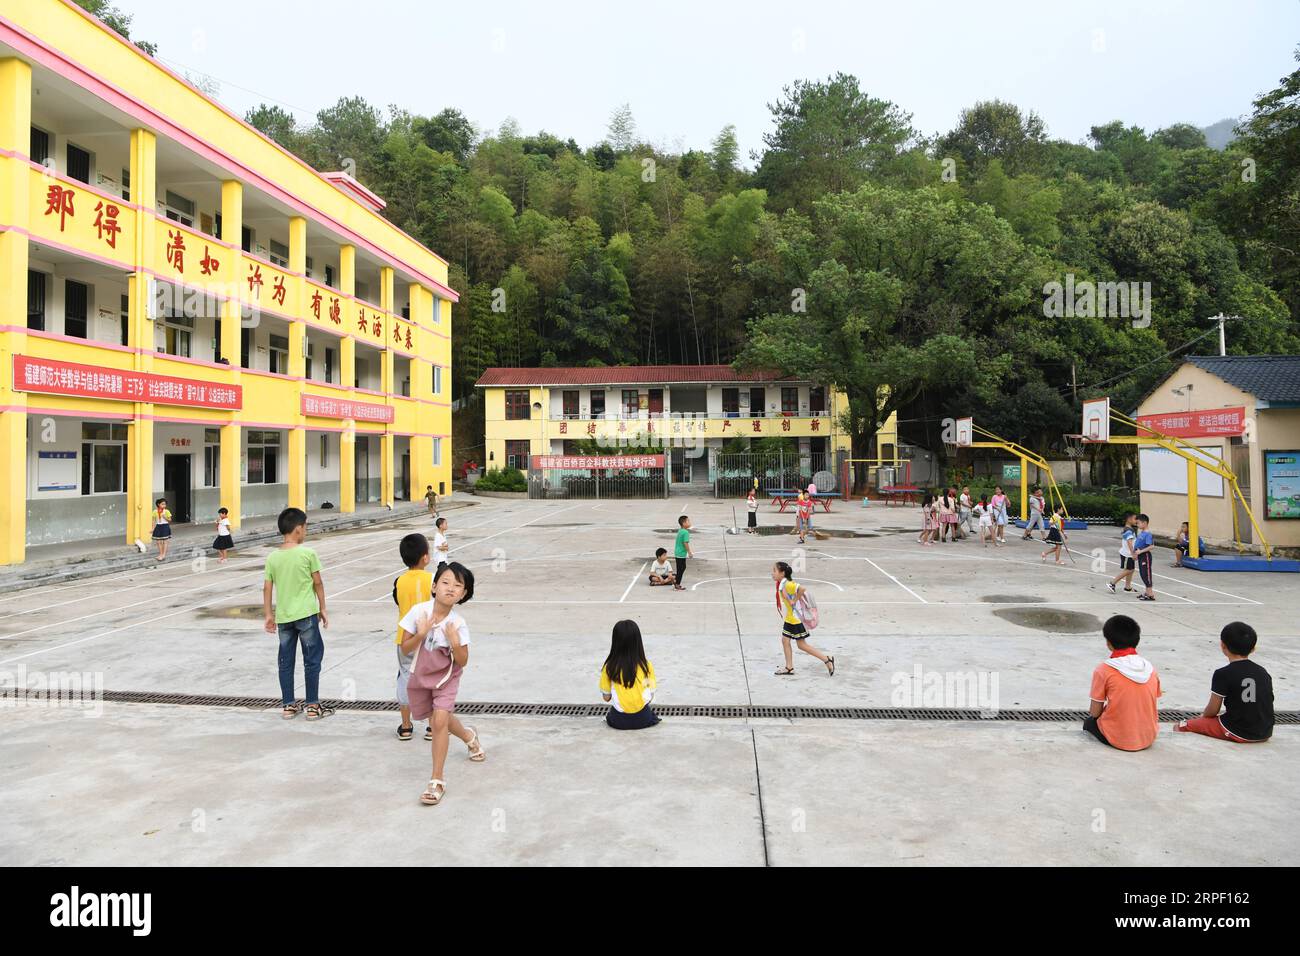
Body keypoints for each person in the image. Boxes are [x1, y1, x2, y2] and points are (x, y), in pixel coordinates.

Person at [399, 561, 483, 806]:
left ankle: (437, 781)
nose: (450, 588)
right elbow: (405, 649)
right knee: (438, 720)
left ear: (463, 594)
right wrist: (422, 633)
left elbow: (463, 661)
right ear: (434, 586)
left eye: (458, 586)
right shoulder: (418, 612)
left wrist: (455, 642)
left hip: (447, 677)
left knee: (439, 721)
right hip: (421, 675)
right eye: (445, 582)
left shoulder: (458, 623)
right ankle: (469, 737)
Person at [263, 507, 332, 721]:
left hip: (284, 617)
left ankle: (288, 706)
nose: (306, 531)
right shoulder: (308, 554)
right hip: (306, 615)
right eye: (305, 527)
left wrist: (268, 615)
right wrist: (323, 608)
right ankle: (312, 706)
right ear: (298, 529)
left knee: (286, 661)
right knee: (312, 659)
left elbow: (267, 587)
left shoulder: (273, 557)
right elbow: (318, 582)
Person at [1176, 622, 1273, 744]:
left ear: (1223, 645)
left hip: (1239, 731)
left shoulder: (1223, 673)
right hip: (1265, 731)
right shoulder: (1263, 672)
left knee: (1182, 725)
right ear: (1253, 648)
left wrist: (1202, 718)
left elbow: (1213, 710)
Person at [1083, 614, 1161, 752]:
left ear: (1108, 643)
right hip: (1148, 736)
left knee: (1089, 722)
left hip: (1118, 739)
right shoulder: (1149, 668)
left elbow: (1095, 712)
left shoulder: (1104, 669)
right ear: (1137, 640)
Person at [393, 532, 435, 742]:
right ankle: (431, 727)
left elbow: (398, 603)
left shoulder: (399, 581)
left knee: (405, 679)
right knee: (431, 680)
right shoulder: (433, 580)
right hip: (429, 638)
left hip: (405, 639)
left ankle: (406, 726)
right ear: (425, 558)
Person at [771, 562, 834, 676]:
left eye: (775, 570)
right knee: (785, 641)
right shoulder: (782, 584)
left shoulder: (787, 584)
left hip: (795, 619)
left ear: (782, 573)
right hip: (790, 619)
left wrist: (794, 600)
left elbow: (802, 588)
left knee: (801, 645)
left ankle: (827, 660)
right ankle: (789, 667)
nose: (772, 573)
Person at [600, 620, 661, 730]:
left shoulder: (609, 667)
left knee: (611, 715)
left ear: (615, 642)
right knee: (648, 711)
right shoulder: (646, 666)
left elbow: (606, 698)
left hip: (619, 720)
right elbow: (651, 695)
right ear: (638, 642)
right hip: (643, 718)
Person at [1107, 513, 1138, 594]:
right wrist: (1133, 553)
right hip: (1128, 554)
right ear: (1129, 519)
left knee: (1130, 570)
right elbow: (1129, 542)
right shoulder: (1128, 530)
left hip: (1128, 553)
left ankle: (1127, 587)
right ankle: (1112, 583)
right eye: (1135, 519)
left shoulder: (1129, 529)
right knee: (1129, 570)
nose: (1137, 520)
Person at [1133, 514, 1156, 601]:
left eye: (1138, 523)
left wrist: (1141, 551)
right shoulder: (1142, 533)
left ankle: (1150, 594)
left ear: (1145, 523)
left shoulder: (1148, 534)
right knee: (1143, 574)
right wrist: (1135, 553)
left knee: (1146, 575)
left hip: (1145, 556)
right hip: (1140, 556)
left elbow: (1151, 546)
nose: (1137, 525)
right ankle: (1147, 592)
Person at [673, 515, 693, 591]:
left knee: (681, 568)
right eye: (688, 521)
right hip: (681, 553)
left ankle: (676, 581)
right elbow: (685, 543)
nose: (690, 522)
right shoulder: (685, 532)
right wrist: (689, 552)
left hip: (678, 552)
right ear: (684, 523)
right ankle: (677, 584)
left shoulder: (681, 530)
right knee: (681, 568)